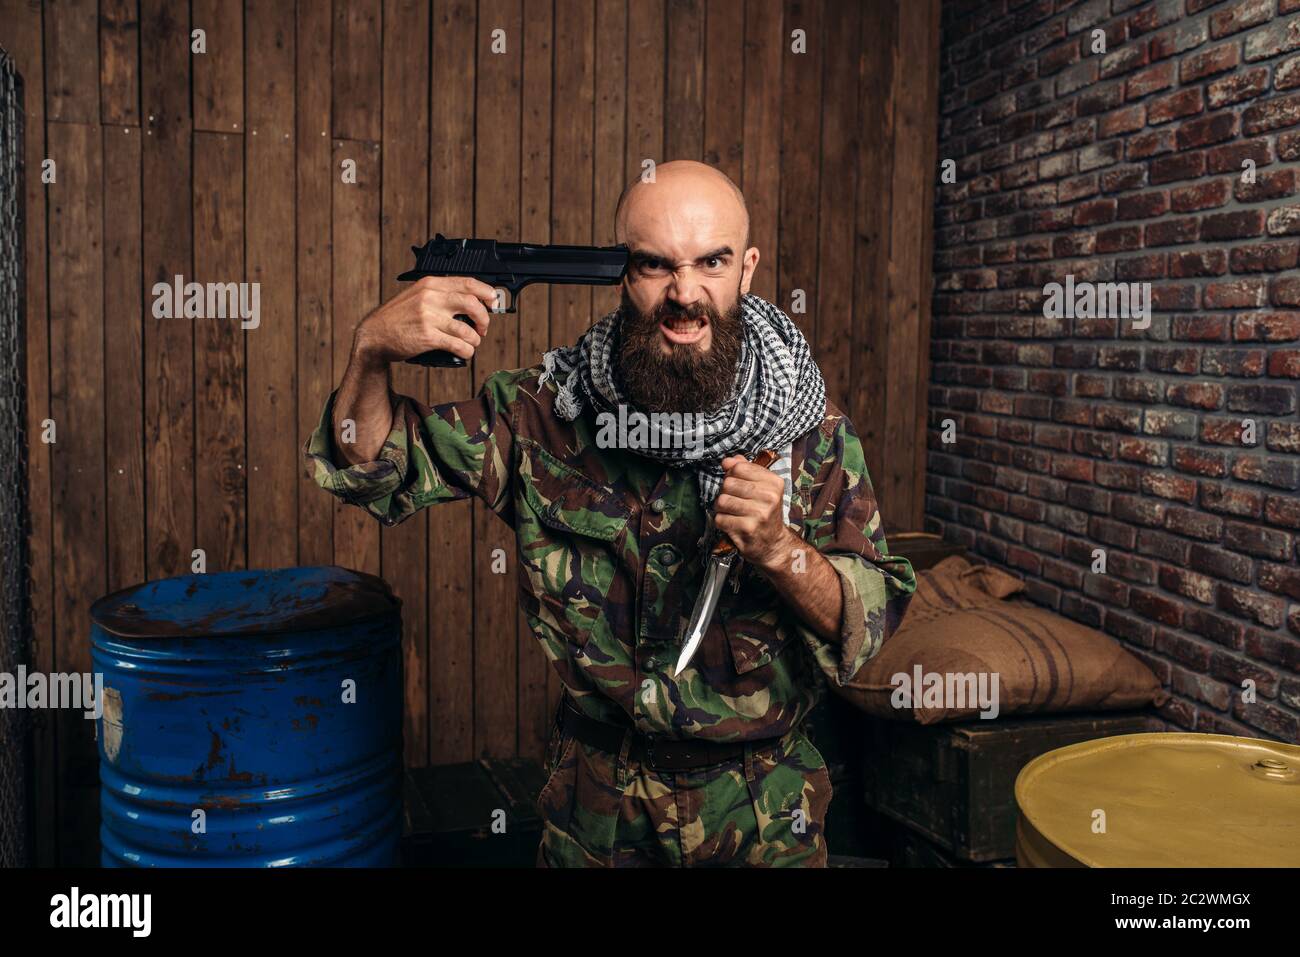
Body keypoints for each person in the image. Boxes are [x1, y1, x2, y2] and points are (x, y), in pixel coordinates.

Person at [304, 160, 916, 867]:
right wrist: (371, 350)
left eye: (711, 262)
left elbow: (872, 629)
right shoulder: (546, 413)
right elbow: (370, 466)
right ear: (619, 272)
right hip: (595, 817)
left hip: (764, 816)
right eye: (655, 265)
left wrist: (781, 550)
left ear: (746, 270)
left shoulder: (812, 436)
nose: (685, 295)